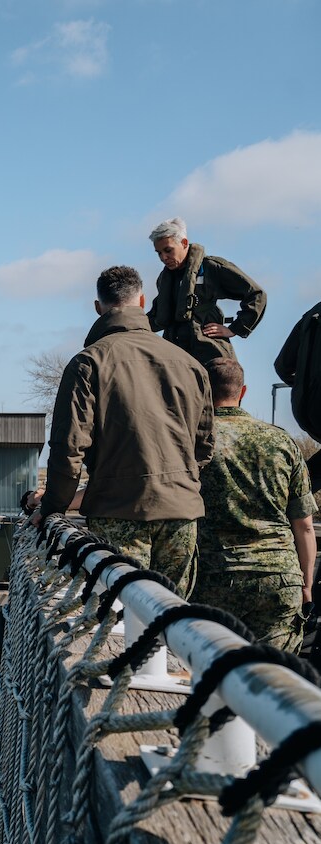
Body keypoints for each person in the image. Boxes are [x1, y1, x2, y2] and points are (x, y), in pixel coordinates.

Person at [31, 265, 214, 597]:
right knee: (170, 620)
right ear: (142, 301)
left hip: (118, 511)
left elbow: (69, 448)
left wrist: (52, 507)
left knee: (116, 617)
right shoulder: (191, 365)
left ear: (98, 306)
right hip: (181, 512)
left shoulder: (88, 363)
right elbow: (203, 447)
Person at [194, 358, 316, 652]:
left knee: (209, 676)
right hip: (279, 578)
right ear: (243, 391)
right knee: (275, 682)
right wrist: (307, 584)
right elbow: (305, 525)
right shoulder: (282, 441)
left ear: (201, 392)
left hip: (213, 577)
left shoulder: (192, 440)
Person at [146, 217, 267, 366]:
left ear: (184, 243)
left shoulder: (210, 268)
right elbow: (156, 316)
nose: (163, 257)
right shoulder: (165, 280)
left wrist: (236, 328)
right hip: (175, 355)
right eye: (159, 253)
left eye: (168, 250)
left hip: (209, 353)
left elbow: (256, 294)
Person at [274, 299, 321, 484]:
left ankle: (294, 494)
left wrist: (304, 384)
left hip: (303, 407)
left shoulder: (310, 315)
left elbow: (282, 365)